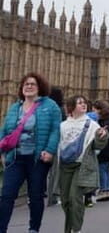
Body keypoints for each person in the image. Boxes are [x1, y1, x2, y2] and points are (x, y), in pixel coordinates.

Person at [0, 73, 62, 233]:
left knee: (35, 196)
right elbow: (5, 130)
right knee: (6, 195)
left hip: (37, 159)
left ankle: (33, 228)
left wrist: (49, 150)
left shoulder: (50, 106)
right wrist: (2, 151)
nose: (28, 86)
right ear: (22, 88)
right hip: (15, 158)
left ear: (39, 87)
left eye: (32, 84)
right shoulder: (15, 107)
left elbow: (55, 130)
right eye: (26, 84)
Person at [59, 95, 108, 233]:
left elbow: (98, 145)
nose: (83, 104)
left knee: (75, 198)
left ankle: (77, 229)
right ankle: (68, 228)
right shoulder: (63, 125)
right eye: (79, 102)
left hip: (81, 166)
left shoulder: (91, 124)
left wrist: (102, 136)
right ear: (71, 107)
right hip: (65, 166)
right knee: (65, 201)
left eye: (84, 102)